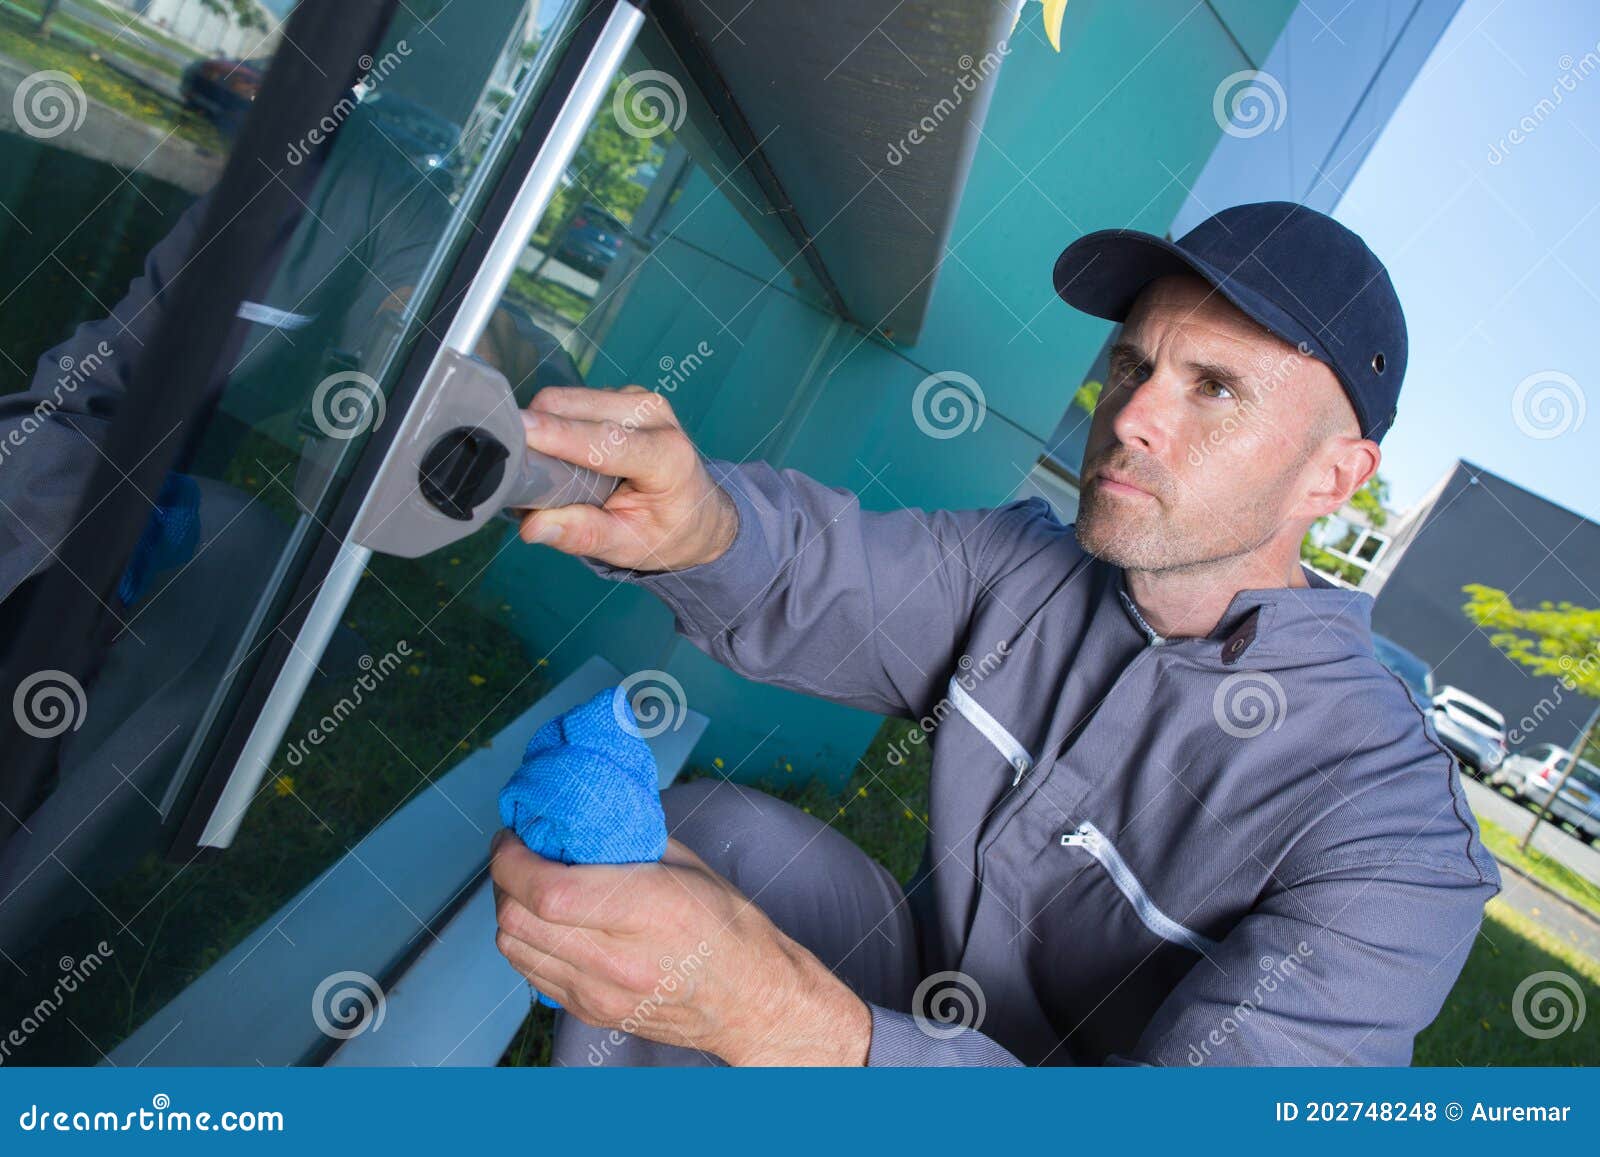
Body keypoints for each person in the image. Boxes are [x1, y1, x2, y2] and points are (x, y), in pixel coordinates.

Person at [488, 200, 1502, 1066]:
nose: (1133, 412)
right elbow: (806, 572)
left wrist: (781, 1016)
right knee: (711, 837)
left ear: (1332, 479)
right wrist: (698, 520)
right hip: (923, 1016)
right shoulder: (1026, 568)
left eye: (1216, 387)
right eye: (1132, 363)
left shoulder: (1393, 834)